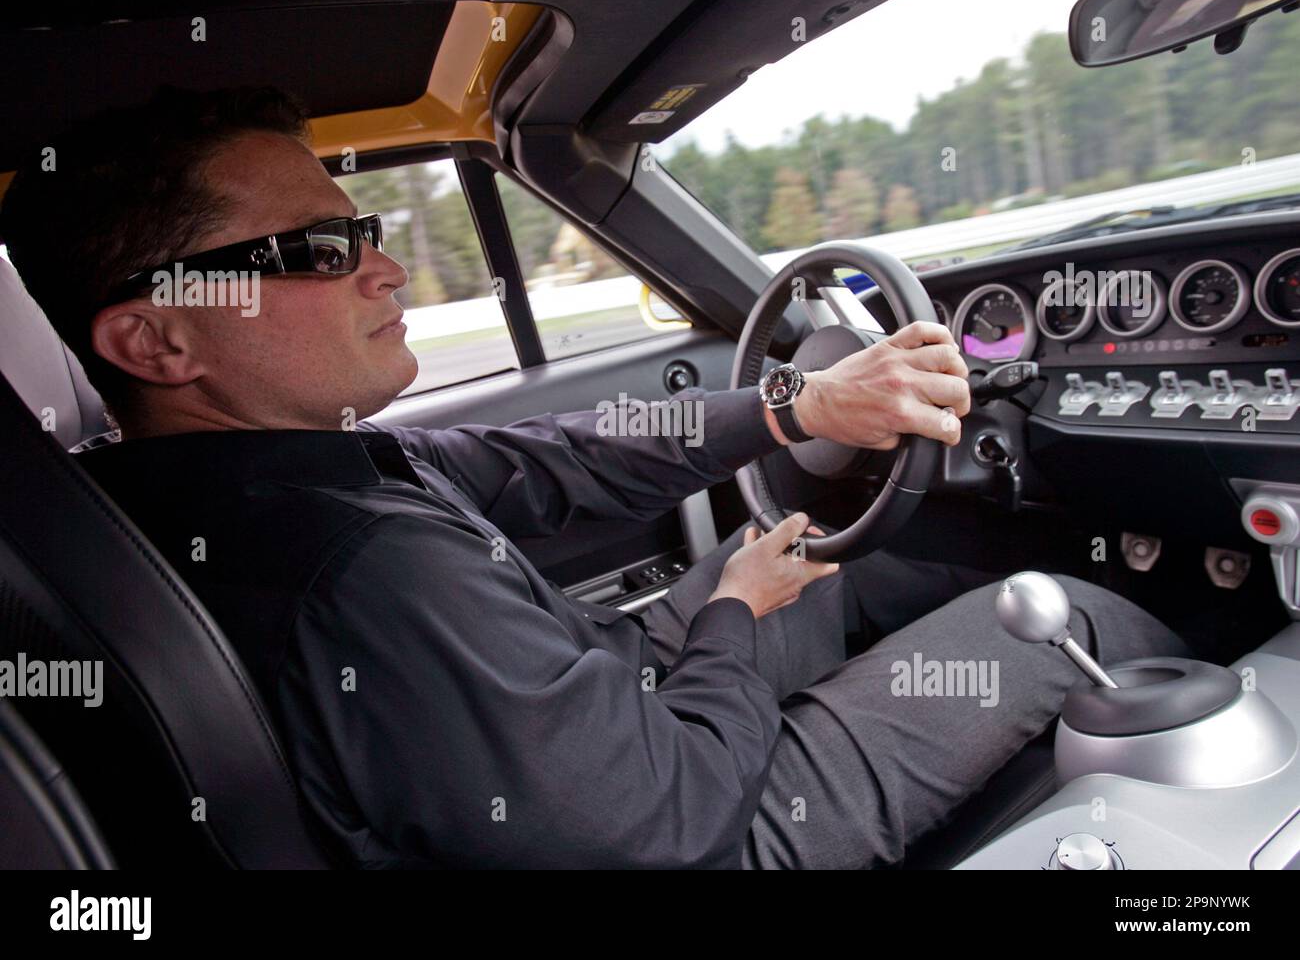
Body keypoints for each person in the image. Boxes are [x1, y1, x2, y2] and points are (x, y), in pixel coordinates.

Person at [0, 86, 1187, 868]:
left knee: (822, 569)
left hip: (600, 729)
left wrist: (800, 403)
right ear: (157, 340)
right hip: (700, 832)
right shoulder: (363, 569)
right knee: (1054, 616)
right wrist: (726, 621)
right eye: (322, 251)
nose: (392, 269)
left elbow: (542, 461)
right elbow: (663, 824)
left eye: (364, 232)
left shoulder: (222, 477)